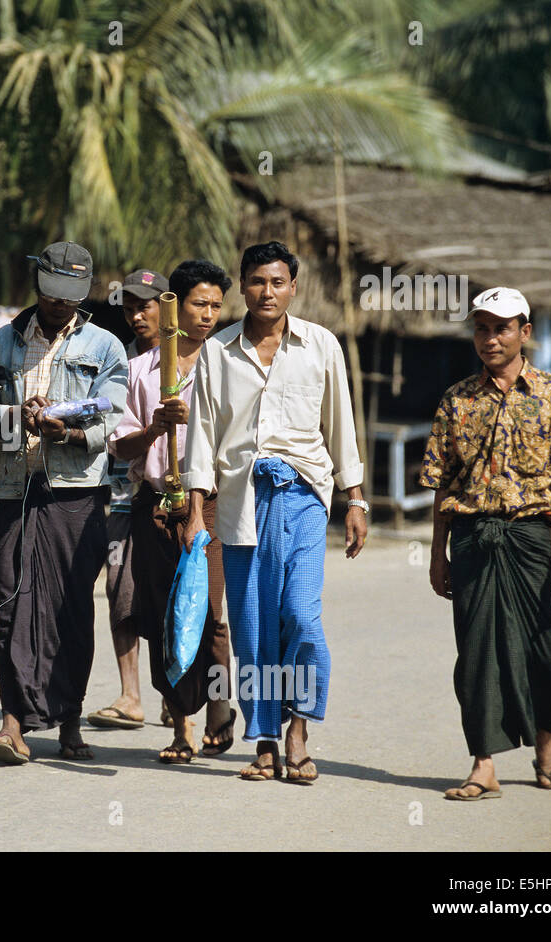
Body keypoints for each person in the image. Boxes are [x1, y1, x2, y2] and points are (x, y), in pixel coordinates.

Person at [182, 241, 368, 784]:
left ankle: (299, 731)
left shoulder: (321, 346)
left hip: (305, 497)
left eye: (278, 282)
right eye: (258, 281)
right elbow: (202, 438)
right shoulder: (218, 352)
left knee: (301, 617)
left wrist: (354, 499)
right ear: (243, 286)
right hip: (239, 503)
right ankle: (263, 740)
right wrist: (196, 513)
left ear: (294, 287)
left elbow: (341, 426)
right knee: (251, 625)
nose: (268, 291)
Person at [419, 287, 551, 801]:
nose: (490, 338)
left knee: (543, 649)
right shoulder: (457, 399)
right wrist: (438, 554)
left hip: (529, 535)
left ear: (524, 331)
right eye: (481, 328)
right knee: (475, 651)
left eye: (501, 328)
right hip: (473, 536)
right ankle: (483, 763)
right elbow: (444, 485)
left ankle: (546, 741)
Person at [0, 241, 128, 764]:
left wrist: (68, 431)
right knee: (12, 604)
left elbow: (113, 417)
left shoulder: (106, 347)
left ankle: (70, 721)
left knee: (70, 608)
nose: (60, 305)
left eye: (70, 296)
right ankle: (12, 724)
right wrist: (16, 417)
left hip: (77, 496)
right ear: (37, 283)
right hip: (17, 491)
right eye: (52, 293)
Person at [109, 260, 235, 763]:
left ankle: (220, 704)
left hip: (214, 507)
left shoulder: (225, 364)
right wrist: (157, 428)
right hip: (155, 504)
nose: (208, 315)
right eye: (199, 304)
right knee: (165, 615)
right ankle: (180, 725)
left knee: (211, 613)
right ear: (174, 307)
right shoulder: (139, 371)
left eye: (216, 306)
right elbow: (121, 447)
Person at [88, 269, 165, 732]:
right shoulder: (118, 361)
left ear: (165, 307)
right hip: (121, 491)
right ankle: (130, 693)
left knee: (169, 592)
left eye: (147, 305)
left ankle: (176, 694)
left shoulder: (195, 358)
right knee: (120, 587)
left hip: (176, 493)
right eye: (131, 307)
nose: (138, 315)